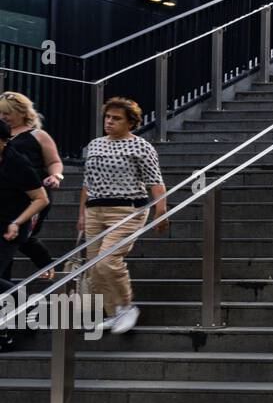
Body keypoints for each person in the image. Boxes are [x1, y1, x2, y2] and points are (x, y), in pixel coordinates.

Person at [79, 97, 168, 335]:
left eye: (116, 118)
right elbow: (88, 182)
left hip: (127, 209)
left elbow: (154, 180)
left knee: (108, 261)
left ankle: (127, 307)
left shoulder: (140, 146)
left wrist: (161, 211)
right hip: (95, 209)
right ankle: (114, 312)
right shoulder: (95, 145)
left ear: (130, 122)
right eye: (107, 117)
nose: (109, 122)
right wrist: (82, 214)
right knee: (94, 266)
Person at [0, 92, 64, 278]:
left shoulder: (38, 135)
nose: (4, 117)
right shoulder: (2, 133)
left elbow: (54, 161)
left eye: (8, 113)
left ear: (22, 113)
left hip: (33, 194)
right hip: (7, 195)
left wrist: (56, 176)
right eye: (1, 113)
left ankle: (45, 264)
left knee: (21, 234)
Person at [0, 121, 50, 352]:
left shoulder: (17, 163)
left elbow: (41, 199)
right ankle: (25, 307)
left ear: (3, 141)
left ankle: (14, 323)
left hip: (12, 227)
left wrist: (17, 223)